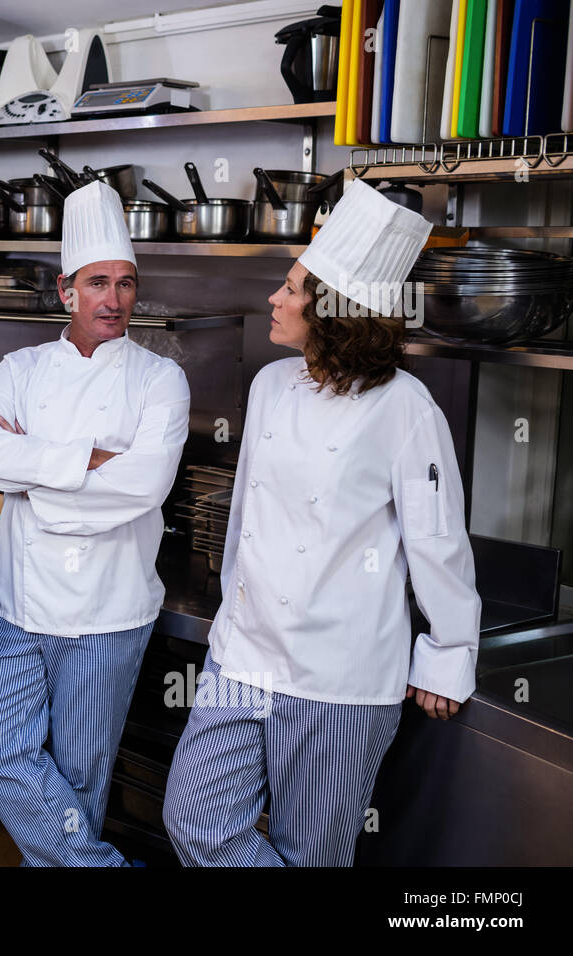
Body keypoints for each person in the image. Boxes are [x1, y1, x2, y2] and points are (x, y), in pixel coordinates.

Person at [161, 178, 482, 867]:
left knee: (313, 852)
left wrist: (450, 652)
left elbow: (437, 542)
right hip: (242, 655)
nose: (275, 299)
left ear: (336, 312)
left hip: (339, 676)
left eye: (292, 288)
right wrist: (229, 611)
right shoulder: (271, 385)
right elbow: (247, 508)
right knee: (194, 820)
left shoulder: (406, 408)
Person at [0, 180, 191, 866]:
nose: (114, 299)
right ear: (67, 291)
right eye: (98, 283)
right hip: (18, 605)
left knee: (81, 778)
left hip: (108, 613)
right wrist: (86, 465)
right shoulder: (21, 367)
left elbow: (144, 486)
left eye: (125, 283)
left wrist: (34, 484)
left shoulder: (160, 378)